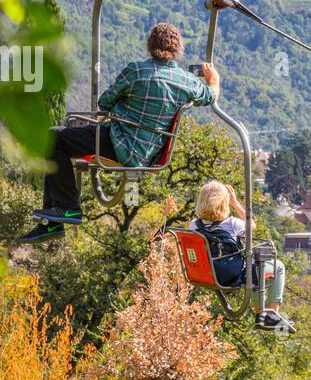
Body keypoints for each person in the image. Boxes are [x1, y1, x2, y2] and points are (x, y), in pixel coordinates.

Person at [19, 23, 220, 244]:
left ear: (150, 46)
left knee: (53, 138)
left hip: (118, 142)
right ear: (177, 49)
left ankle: (67, 208)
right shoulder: (187, 81)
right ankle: (52, 222)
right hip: (150, 153)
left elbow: (104, 103)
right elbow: (210, 95)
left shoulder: (136, 71)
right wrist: (214, 79)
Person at [188, 179, 287, 327]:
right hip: (231, 274)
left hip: (207, 273)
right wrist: (235, 203)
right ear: (223, 203)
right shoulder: (232, 223)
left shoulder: (194, 225)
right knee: (276, 267)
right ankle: (271, 314)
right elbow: (252, 225)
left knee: (253, 271)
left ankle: (263, 314)